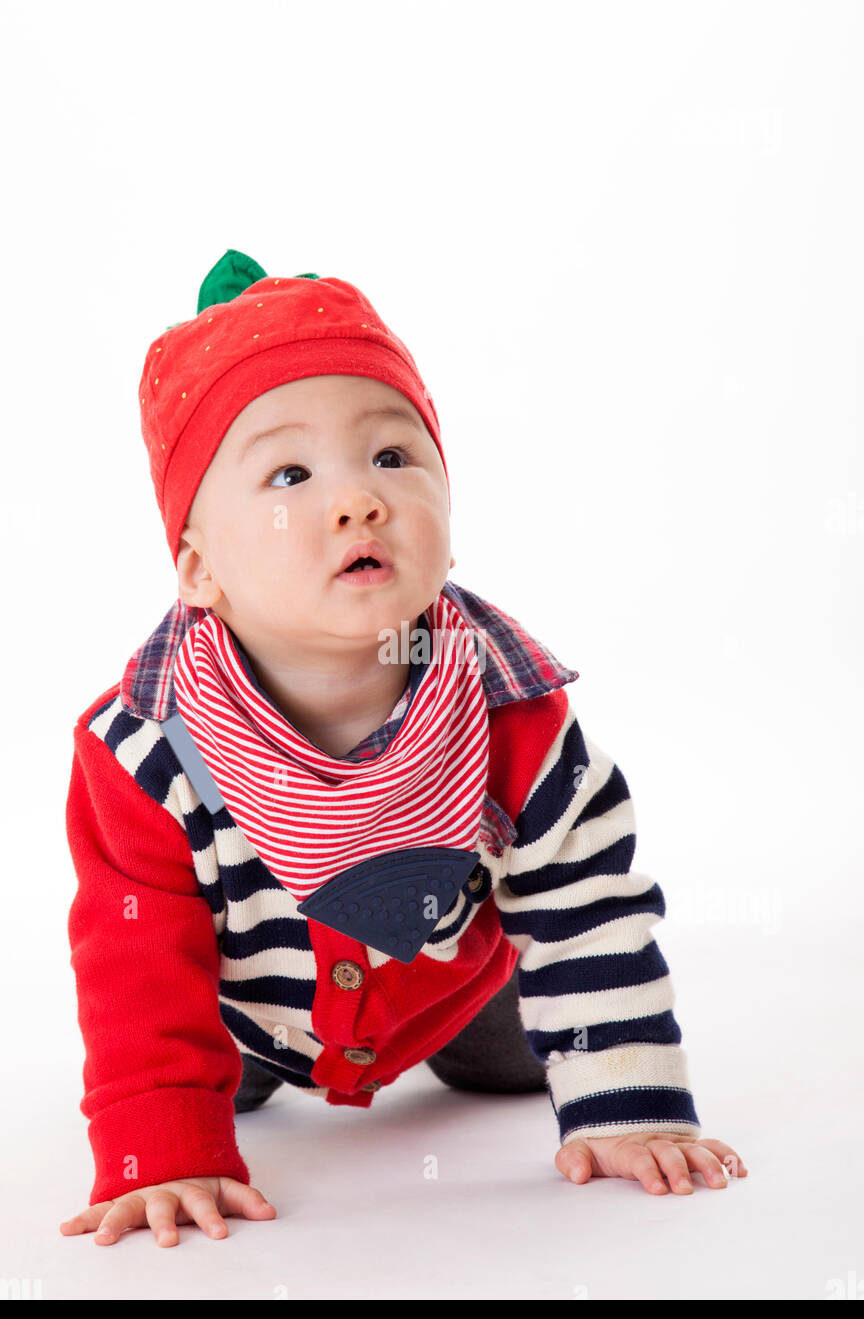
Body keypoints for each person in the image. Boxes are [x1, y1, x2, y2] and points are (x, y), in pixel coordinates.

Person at [60, 249, 746, 1249]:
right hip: (247, 1004)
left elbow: (583, 901)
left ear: (449, 528)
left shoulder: (509, 706)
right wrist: (161, 1151)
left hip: (453, 986)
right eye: (290, 474)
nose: (358, 500)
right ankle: (226, 1085)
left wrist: (626, 1106)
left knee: (518, 1057)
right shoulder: (144, 745)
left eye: (392, 457)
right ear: (199, 569)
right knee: (208, 1072)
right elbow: (133, 958)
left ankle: (516, 1047)